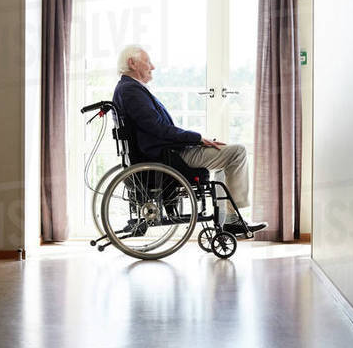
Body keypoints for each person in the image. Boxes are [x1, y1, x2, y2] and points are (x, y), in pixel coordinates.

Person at [112, 45, 267, 236]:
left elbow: (156, 129)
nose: (153, 67)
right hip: (167, 156)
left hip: (166, 152)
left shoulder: (128, 89)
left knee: (225, 156)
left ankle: (228, 220)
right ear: (132, 63)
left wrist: (196, 141)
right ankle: (232, 220)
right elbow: (158, 129)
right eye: (148, 62)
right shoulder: (131, 91)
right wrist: (197, 138)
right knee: (237, 153)